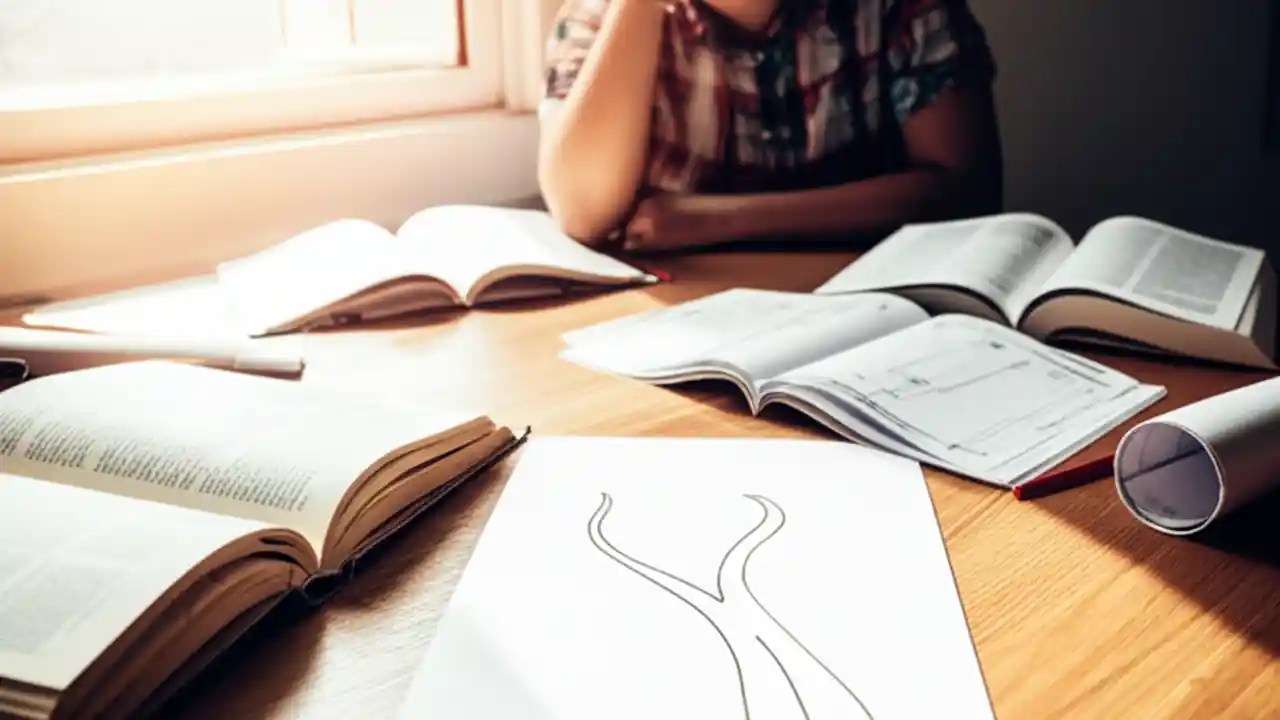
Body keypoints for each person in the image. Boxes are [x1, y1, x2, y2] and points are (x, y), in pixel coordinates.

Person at [538, 0, 1002, 252]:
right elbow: (582, 211)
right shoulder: (598, 19)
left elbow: (967, 190)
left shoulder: (900, 11)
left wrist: (720, 220)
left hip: (874, 315)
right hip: (683, 325)